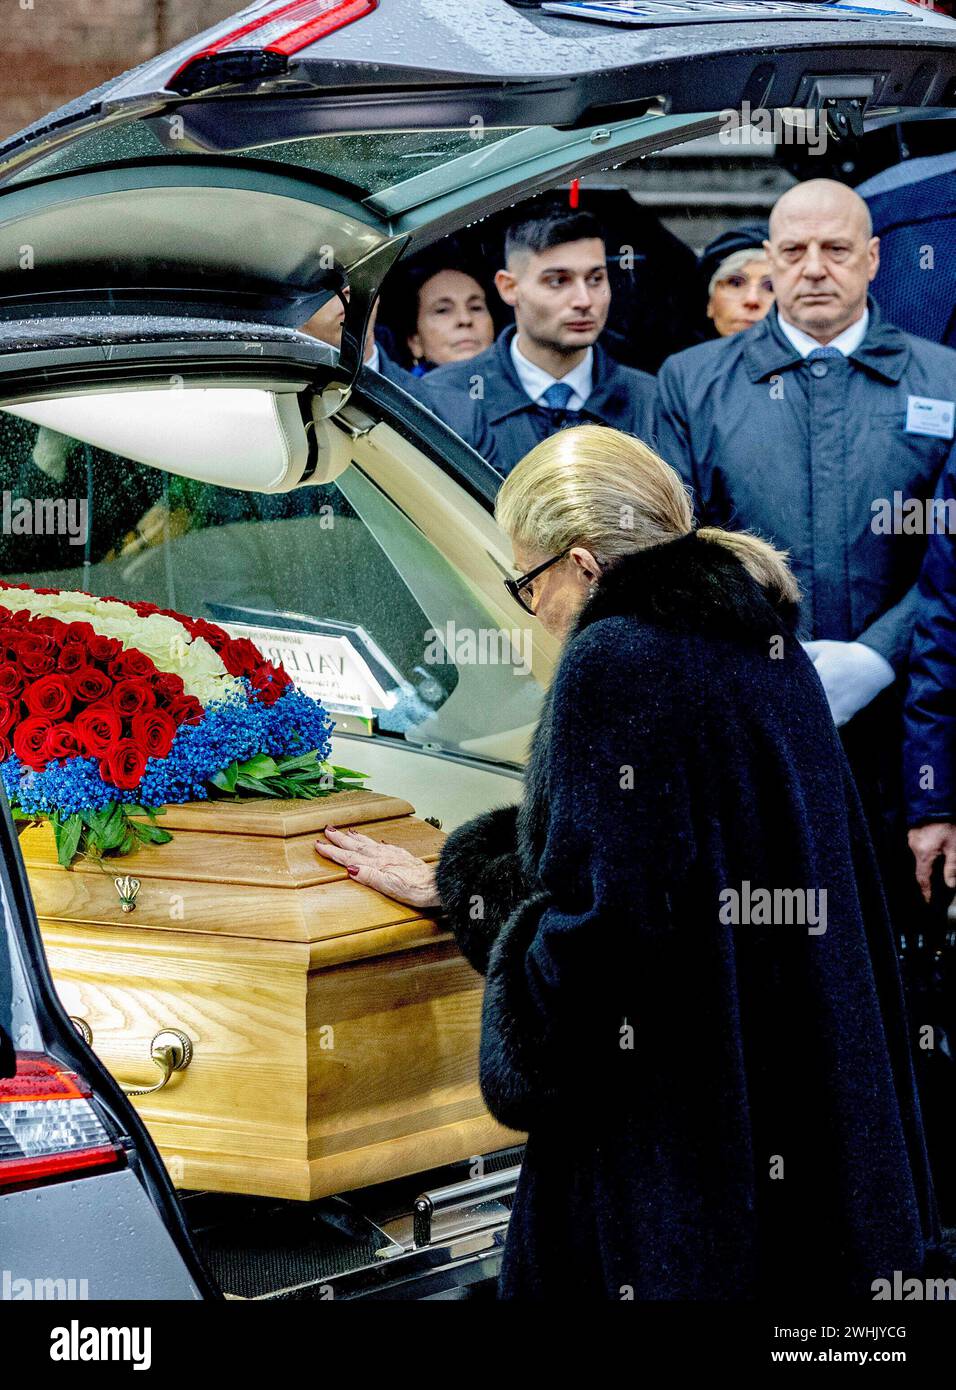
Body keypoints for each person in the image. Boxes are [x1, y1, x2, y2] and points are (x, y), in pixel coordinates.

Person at [315, 425, 938, 1300]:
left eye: (527, 580)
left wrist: (486, 926)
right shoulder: (758, 637)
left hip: (675, 1161)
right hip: (796, 1131)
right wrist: (469, 874)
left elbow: (601, 941)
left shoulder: (617, 658)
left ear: (581, 562)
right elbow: (686, 855)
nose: (528, 606)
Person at [655, 175, 956, 1217]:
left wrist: (873, 658)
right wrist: (773, 664)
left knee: (895, 987)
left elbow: (952, 569)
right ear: (765, 262)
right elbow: (673, 551)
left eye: (836, 250)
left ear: (875, 260)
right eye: (792, 252)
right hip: (750, 743)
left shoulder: (943, 380)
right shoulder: (692, 382)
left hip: (898, 738)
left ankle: (896, 1214)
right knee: (761, 981)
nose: (813, 270)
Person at [415, 203, 656, 478]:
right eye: (557, 281)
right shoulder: (445, 396)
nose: (584, 301)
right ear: (509, 288)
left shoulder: (652, 401)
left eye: (595, 279)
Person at [378, 251, 496, 374]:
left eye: (476, 308)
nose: (465, 319)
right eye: (443, 310)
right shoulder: (403, 391)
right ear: (415, 342)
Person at [299, 290, 413, 387]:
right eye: (326, 278)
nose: (348, 288)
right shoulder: (283, 400)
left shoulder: (425, 403)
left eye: (359, 271)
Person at [697, 224, 775, 338]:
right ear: (710, 304)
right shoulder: (685, 356)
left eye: (772, 288)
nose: (752, 299)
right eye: (735, 283)